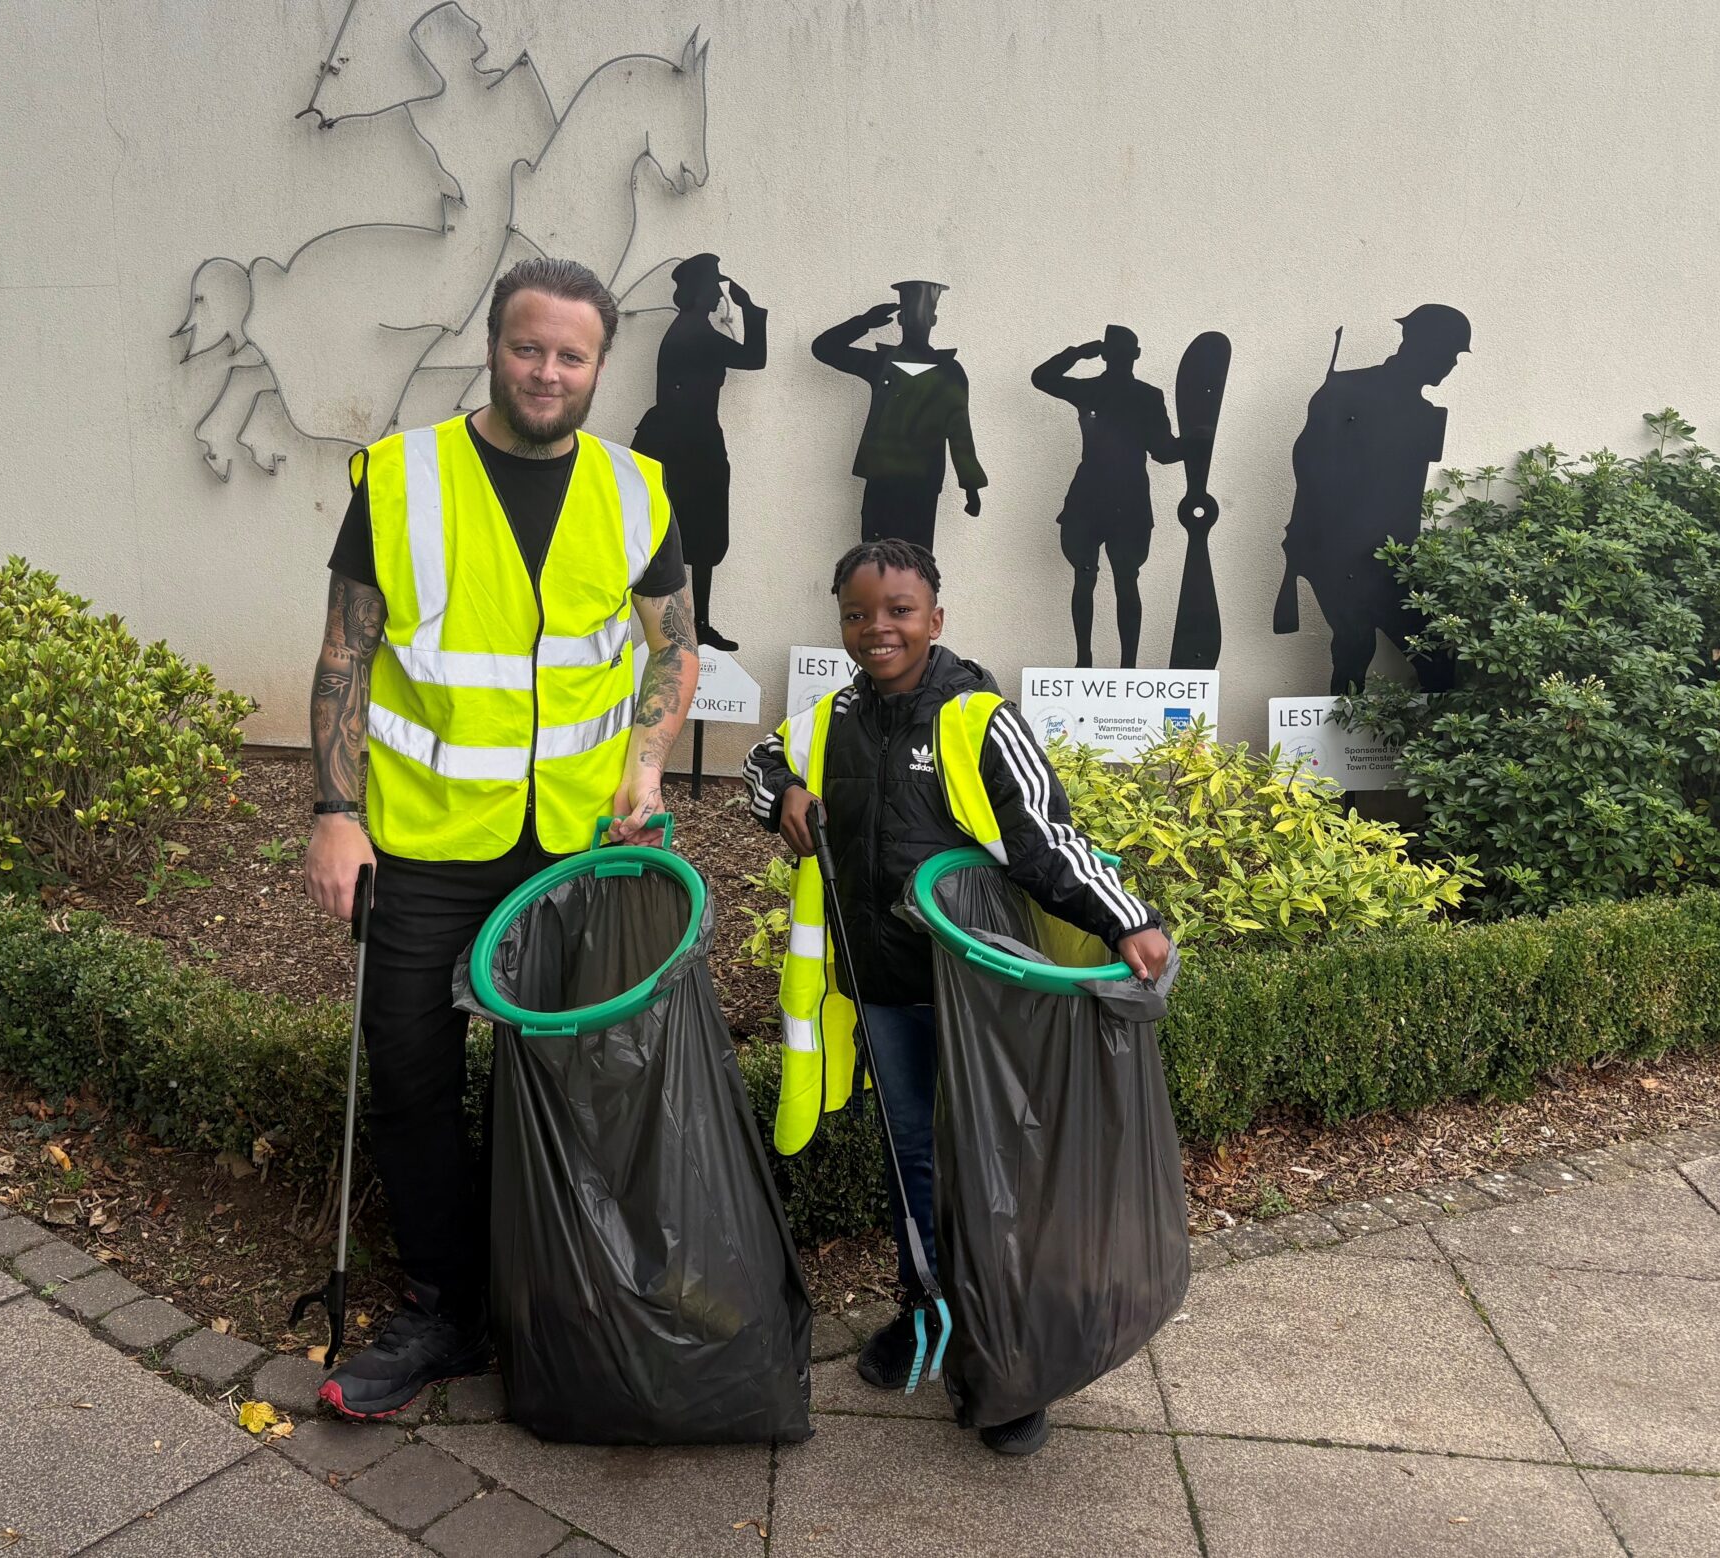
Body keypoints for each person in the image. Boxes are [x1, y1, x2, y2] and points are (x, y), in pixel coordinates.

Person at [303, 256, 701, 1420]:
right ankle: (443, 1309)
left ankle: (561, 1297)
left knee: (575, 1079)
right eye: (529, 347)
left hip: (575, 845)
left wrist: (642, 760)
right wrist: (335, 813)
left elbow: (670, 646)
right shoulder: (401, 475)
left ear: (598, 364)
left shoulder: (638, 489)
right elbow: (345, 652)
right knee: (415, 1076)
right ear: (494, 344)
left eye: (571, 354)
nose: (548, 370)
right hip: (425, 842)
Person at [741, 539, 1172, 1458]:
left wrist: (1126, 920)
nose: (877, 629)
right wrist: (779, 792)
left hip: (977, 997)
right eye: (858, 613)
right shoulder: (828, 722)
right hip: (884, 994)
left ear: (936, 618)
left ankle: (1010, 1350)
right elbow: (761, 759)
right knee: (916, 1160)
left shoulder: (978, 721)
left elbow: (1048, 839)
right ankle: (931, 1311)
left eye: (898, 610)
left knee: (994, 1161)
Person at [1272, 305, 1470, 694]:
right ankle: (1338, 749)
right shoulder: (1347, 390)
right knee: (1353, 647)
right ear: (1423, 345)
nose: (1451, 365)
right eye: (1449, 353)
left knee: (1434, 659)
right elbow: (1308, 465)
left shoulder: (1423, 413)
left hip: (1394, 557)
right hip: (1340, 553)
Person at [632, 252, 765, 652]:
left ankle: (695, 622)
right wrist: (750, 310)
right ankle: (686, 623)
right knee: (690, 535)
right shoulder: (694, 332)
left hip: (689, 440)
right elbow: (754, 358)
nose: (716, 293)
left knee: (694, 536)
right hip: (688, 444)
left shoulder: (691, 329)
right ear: (697, 291)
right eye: (712, 286)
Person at [1031, 326, 1181, 668]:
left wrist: (1077, 352)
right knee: (1118, 579)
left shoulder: (1092, 390)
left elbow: (1043, 377)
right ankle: (1117, 663)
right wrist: (1195, 442)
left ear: (1104, 353)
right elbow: (1164, 451)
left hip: (1096, 495)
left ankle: (1093, 660)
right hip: (1118, 498)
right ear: (1136, 354)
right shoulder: (1145, 395)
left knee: (1090, 578)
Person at [811, 282, 987, 553]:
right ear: (901, 319)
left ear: (934, 320)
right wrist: (864, 322)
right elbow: (824, 348)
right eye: (912, 315)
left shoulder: (949, 371)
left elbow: (959, 428)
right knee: (874, 557)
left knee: (914, 562)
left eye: (923, 315)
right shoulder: (882, 363)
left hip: (922, 485)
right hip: (883, 480)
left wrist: (971, 484)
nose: (917, 322)